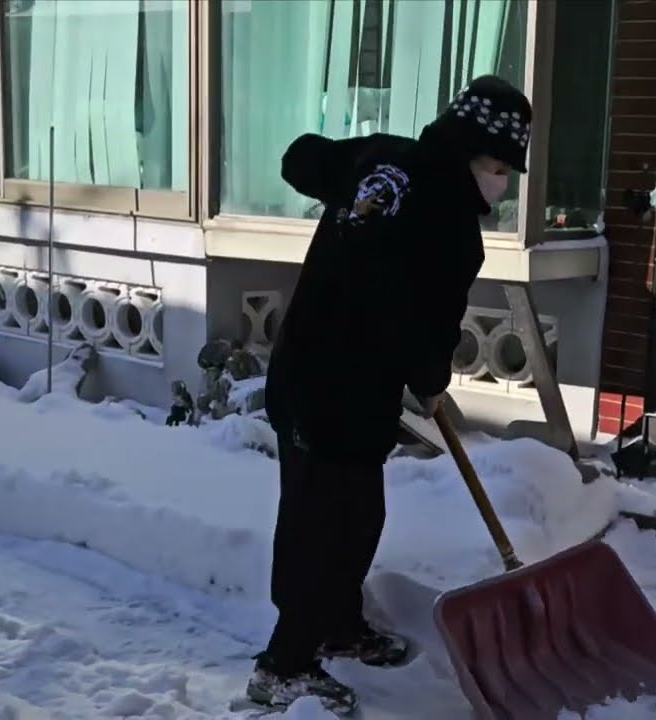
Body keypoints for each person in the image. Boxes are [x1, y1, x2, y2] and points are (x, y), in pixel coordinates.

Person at [249, 75, 533, 715]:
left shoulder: (379, 156)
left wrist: (356, 191)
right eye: (499, 170)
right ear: (470, 154)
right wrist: (431, 384)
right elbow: (432, 329)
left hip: (314, 376)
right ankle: (283, 665)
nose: (503, 186)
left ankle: (338, 625)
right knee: (321, 525)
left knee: (352, 516)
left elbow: (300, 158)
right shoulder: (454, 229)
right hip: (336, 390)